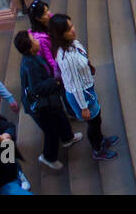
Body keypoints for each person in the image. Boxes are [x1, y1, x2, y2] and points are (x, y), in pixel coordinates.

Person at [48, 13, 120, 161]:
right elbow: (75, 85)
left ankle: (100, 140)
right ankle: (97, 149)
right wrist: (83, 107)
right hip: (81, 95)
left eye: (71, 25)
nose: (73, 30)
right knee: (93, 123)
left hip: (87, 89)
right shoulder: (67, 58)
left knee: (97, 119)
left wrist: (88, 66)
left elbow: (82, 57)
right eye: (68, 29)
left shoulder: (72, 43)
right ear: (60, 35)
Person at [15, 30, 82, 171]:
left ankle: (67, 138)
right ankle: (48, 157)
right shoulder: (30, 64)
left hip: (51, 101)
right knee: (51, 132)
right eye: (33, 40)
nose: (37, 40)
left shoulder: (33, 57)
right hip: (42, 108)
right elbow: (37, 88)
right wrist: (55, 82)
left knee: (61, 116)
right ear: (29, 48)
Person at [27, 0, 60, 77]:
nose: (49, 13)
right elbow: (50, 61)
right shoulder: (40, 40)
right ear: (38, 18)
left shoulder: (50, 19)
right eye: (45, 13)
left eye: (48, 10)